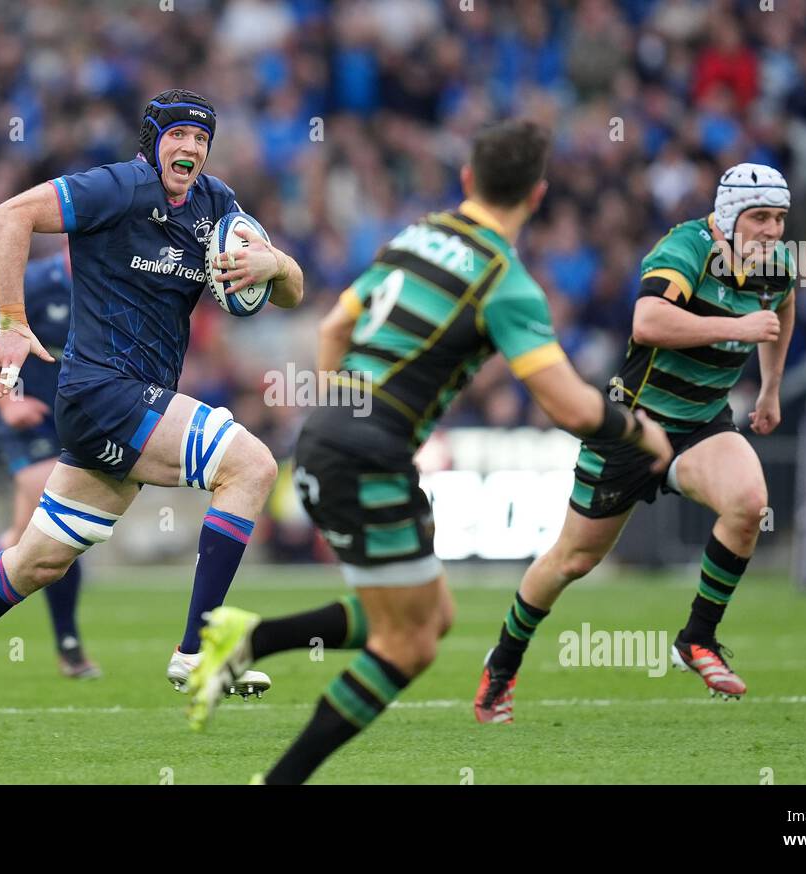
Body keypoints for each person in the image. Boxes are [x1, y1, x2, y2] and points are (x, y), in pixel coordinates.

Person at [183, 120, 671, 784]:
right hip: (364, 453)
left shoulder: (416, 237)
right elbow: (572, 408)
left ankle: (250, 639)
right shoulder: (506, 279)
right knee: (408, 642)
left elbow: (335, 324)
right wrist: (644, 434)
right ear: (537, 196)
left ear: (468, 179)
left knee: (427, 613)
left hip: (330, 437)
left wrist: (342, 416)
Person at [0, 89, 298, 756]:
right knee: (253, 466)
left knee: (35, 561)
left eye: (200, 139)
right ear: (151, 142)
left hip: (127, 405)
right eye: (177, 136)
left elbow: (290, 287)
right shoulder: (117, 188)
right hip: (103, 392)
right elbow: (6, 216)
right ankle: (199, 648)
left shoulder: (218, 208)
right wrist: (12, 321)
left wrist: (274, 264)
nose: (189, 147)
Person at [474, 162, 795, 723]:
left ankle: (697, 639)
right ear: (727, 216)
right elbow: (647, 320)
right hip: (632, 425)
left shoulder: (778, 265)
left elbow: (782, 308)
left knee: (748, 504)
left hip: (700, 425)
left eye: (780, 219)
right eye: (760, 217)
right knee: (572, 561)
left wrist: (769, 389)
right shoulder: (687, 248)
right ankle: (502, 665)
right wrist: (736, 328)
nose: (771, 230)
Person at [0, 248, 99, 679]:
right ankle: (69, 646)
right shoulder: (34, 282)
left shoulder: (112, 282)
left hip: (78, 424)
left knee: (25, 539)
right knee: (65, 525)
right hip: (30, 422)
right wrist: (7, 403)